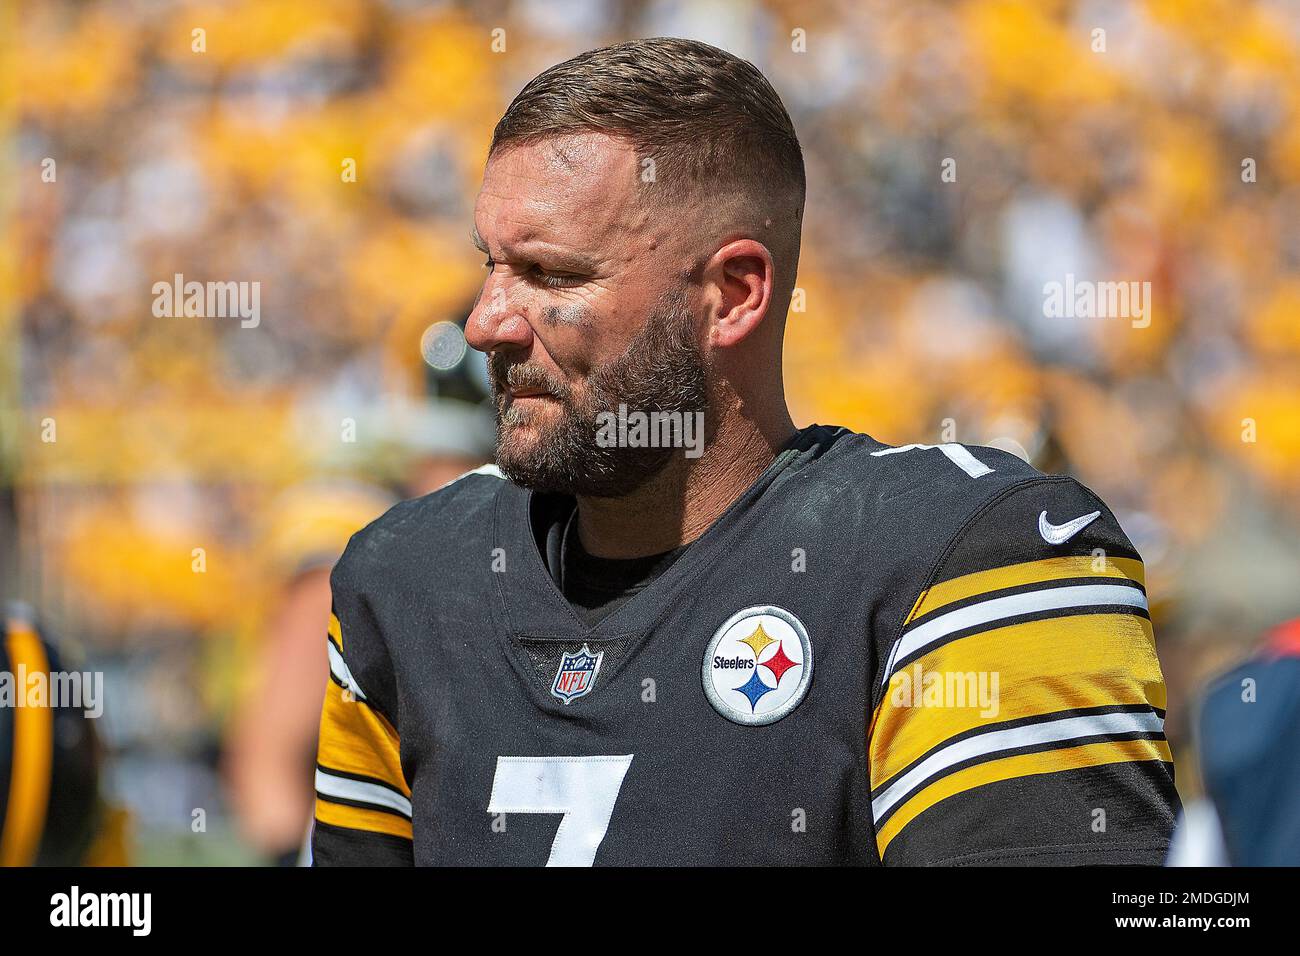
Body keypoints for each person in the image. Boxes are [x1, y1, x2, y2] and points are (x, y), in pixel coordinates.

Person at [312, 37, 1178, 866]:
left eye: (553, 277)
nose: (485, 323)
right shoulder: (410, 581)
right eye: (491, 267)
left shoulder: (961, 557)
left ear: (732, 295)